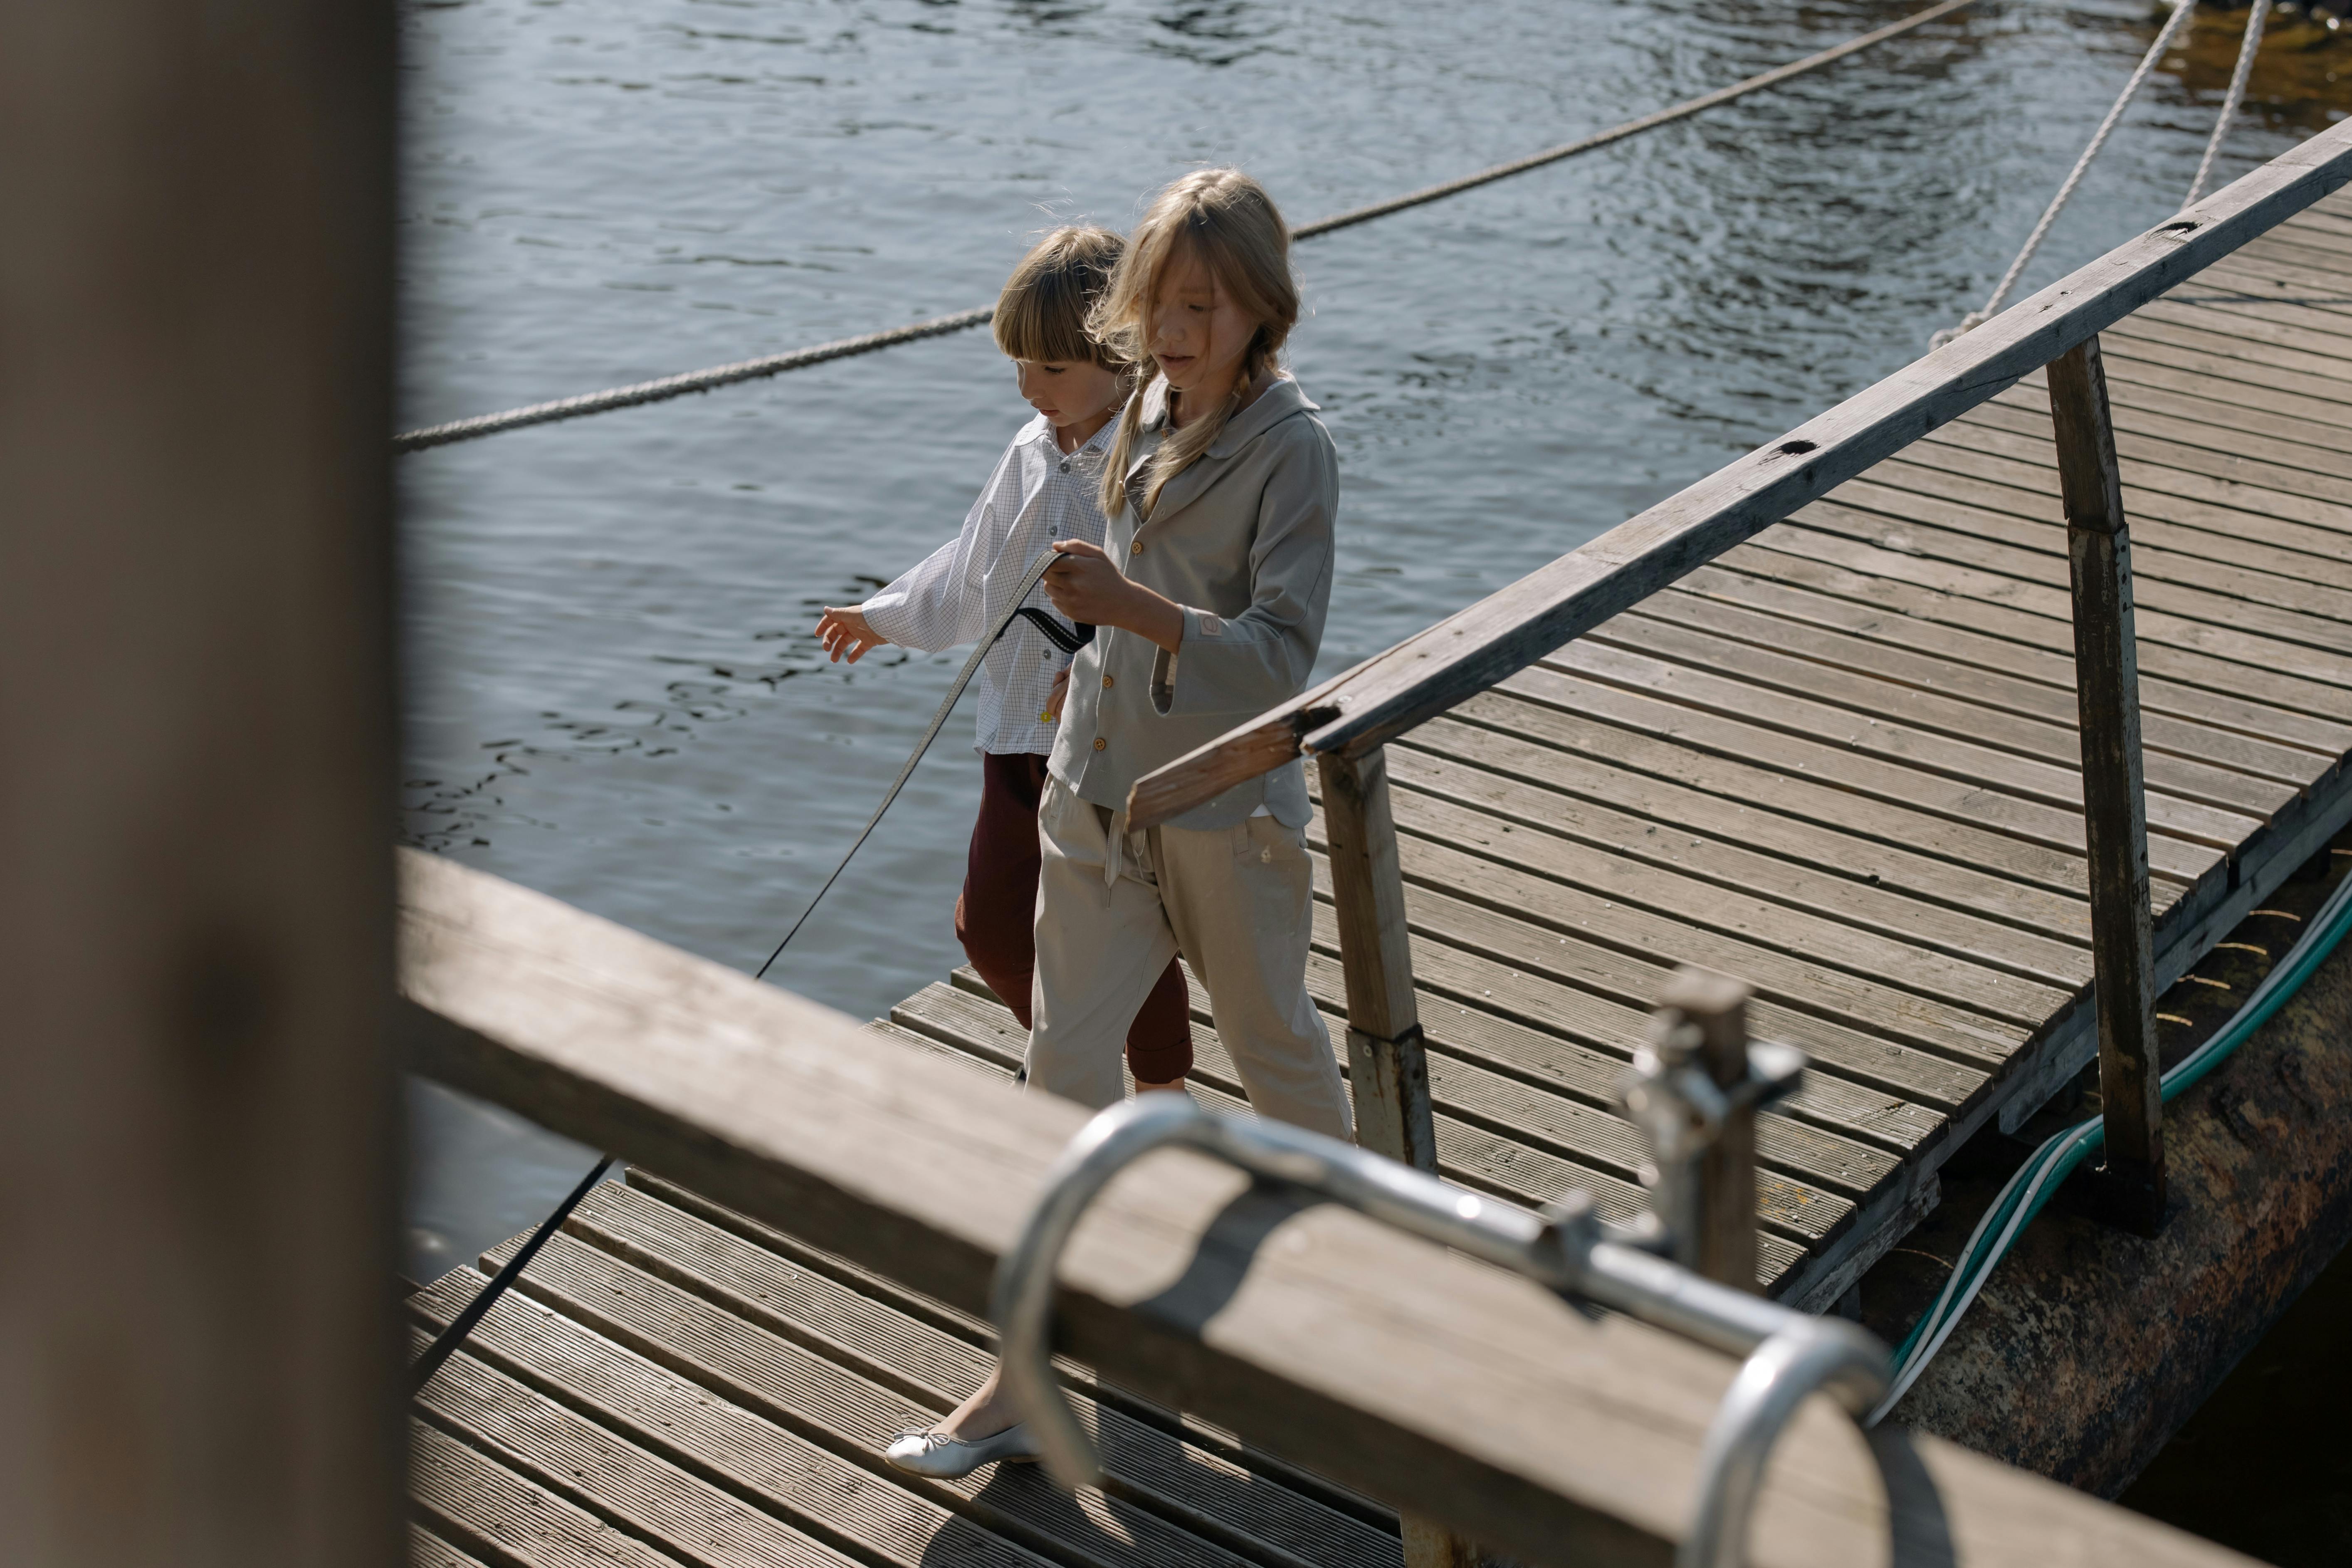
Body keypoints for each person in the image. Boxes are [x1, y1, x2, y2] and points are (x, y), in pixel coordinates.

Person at [884, 169, 1350, 1480]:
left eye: (1206, 304)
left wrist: (1134, 609)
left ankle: (1376, 1318)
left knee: (1278, 1057)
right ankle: (1024, 1375)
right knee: (1056, 1074)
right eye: (1163, 301)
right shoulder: (1135, 404)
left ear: (1265, 305)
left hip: (1218, 800)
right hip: (1091, 790)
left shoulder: (1296, 446)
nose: (1181, 328)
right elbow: (1014, 543)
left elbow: (1283, 653)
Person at [814, 227, 1193, 1102]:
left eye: (1052, 370)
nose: (1030, 389)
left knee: (1117, 923)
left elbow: (1174, 592)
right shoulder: (1031, 447)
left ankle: (1160, 1081)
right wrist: (884, 615)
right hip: (1014, 729)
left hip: (1103, 743)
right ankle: (1072, 1044)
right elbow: (975, 563)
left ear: (1118, 354)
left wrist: (1105, 667)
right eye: (1018, 367)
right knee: (988, 925)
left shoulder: (1149, 462)